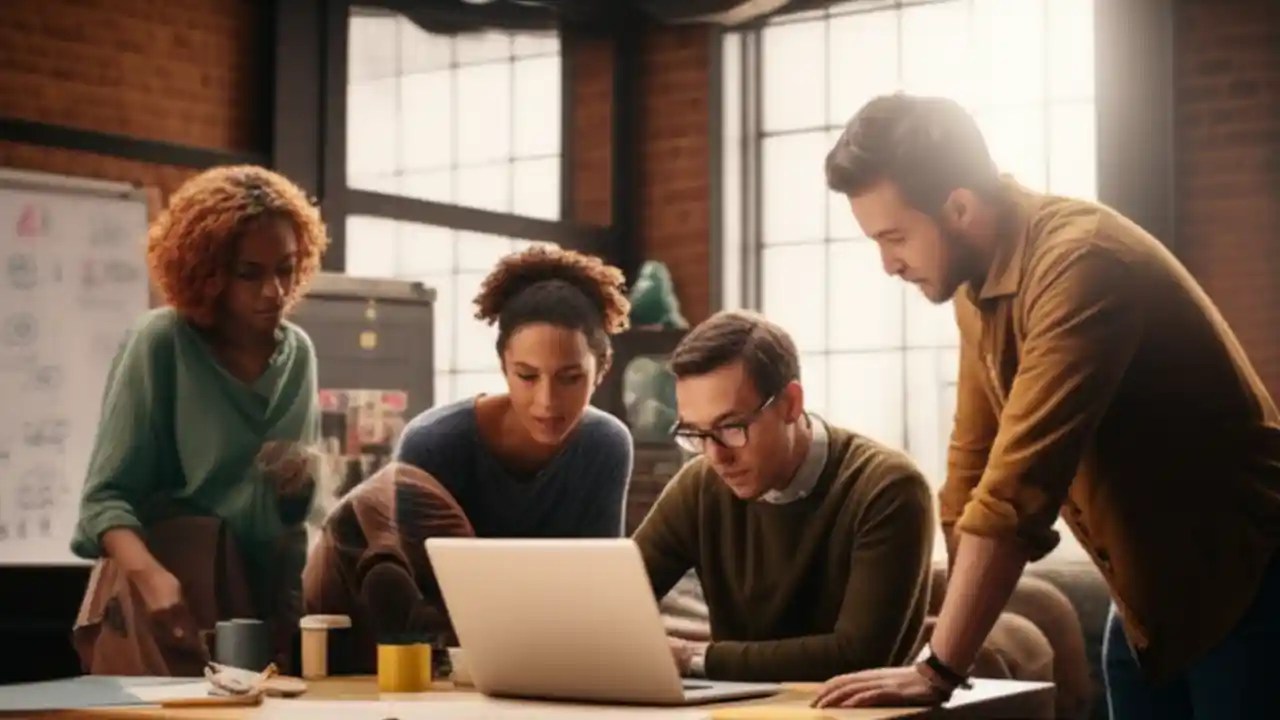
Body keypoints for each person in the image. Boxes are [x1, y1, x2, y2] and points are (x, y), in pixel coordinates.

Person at [812, 92, 1280, 717]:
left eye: (894, 237)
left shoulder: (1081, 263)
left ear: (958, 207)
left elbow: (1017, 490)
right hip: (1149, 602)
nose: (887, 264)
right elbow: (972, 465)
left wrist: (940, 669)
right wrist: (946, 636)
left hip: (1252, 584)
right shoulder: (975, 283)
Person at [302, 245, 635, 670]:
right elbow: (416, 602)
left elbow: (597, 587)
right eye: (527, 376)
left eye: (570, 378)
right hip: (416, 646)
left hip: (547, 647)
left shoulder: (606, 445)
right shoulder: (435, 441)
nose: (547, 401)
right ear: (503, 366)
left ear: (601, 369)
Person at [70, 165, 329, 676]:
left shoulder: (297, 354)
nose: (274, 292)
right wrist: (153, 581)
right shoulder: (162, 342)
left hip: (258, 606)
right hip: (166, 592)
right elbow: (104, 499)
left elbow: (290, 521)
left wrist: (291, 617)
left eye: (285, 269)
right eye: (250, 274)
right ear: (208, 272)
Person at [632, 309, 935, 683]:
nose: (716, 456)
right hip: (735, 705)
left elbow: (857, 656)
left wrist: (693, 657)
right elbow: (617, 599)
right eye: (695, 433)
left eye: (731, 427)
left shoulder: (887, 488)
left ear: (791, 403)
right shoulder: (700, 485)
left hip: (852, 708)